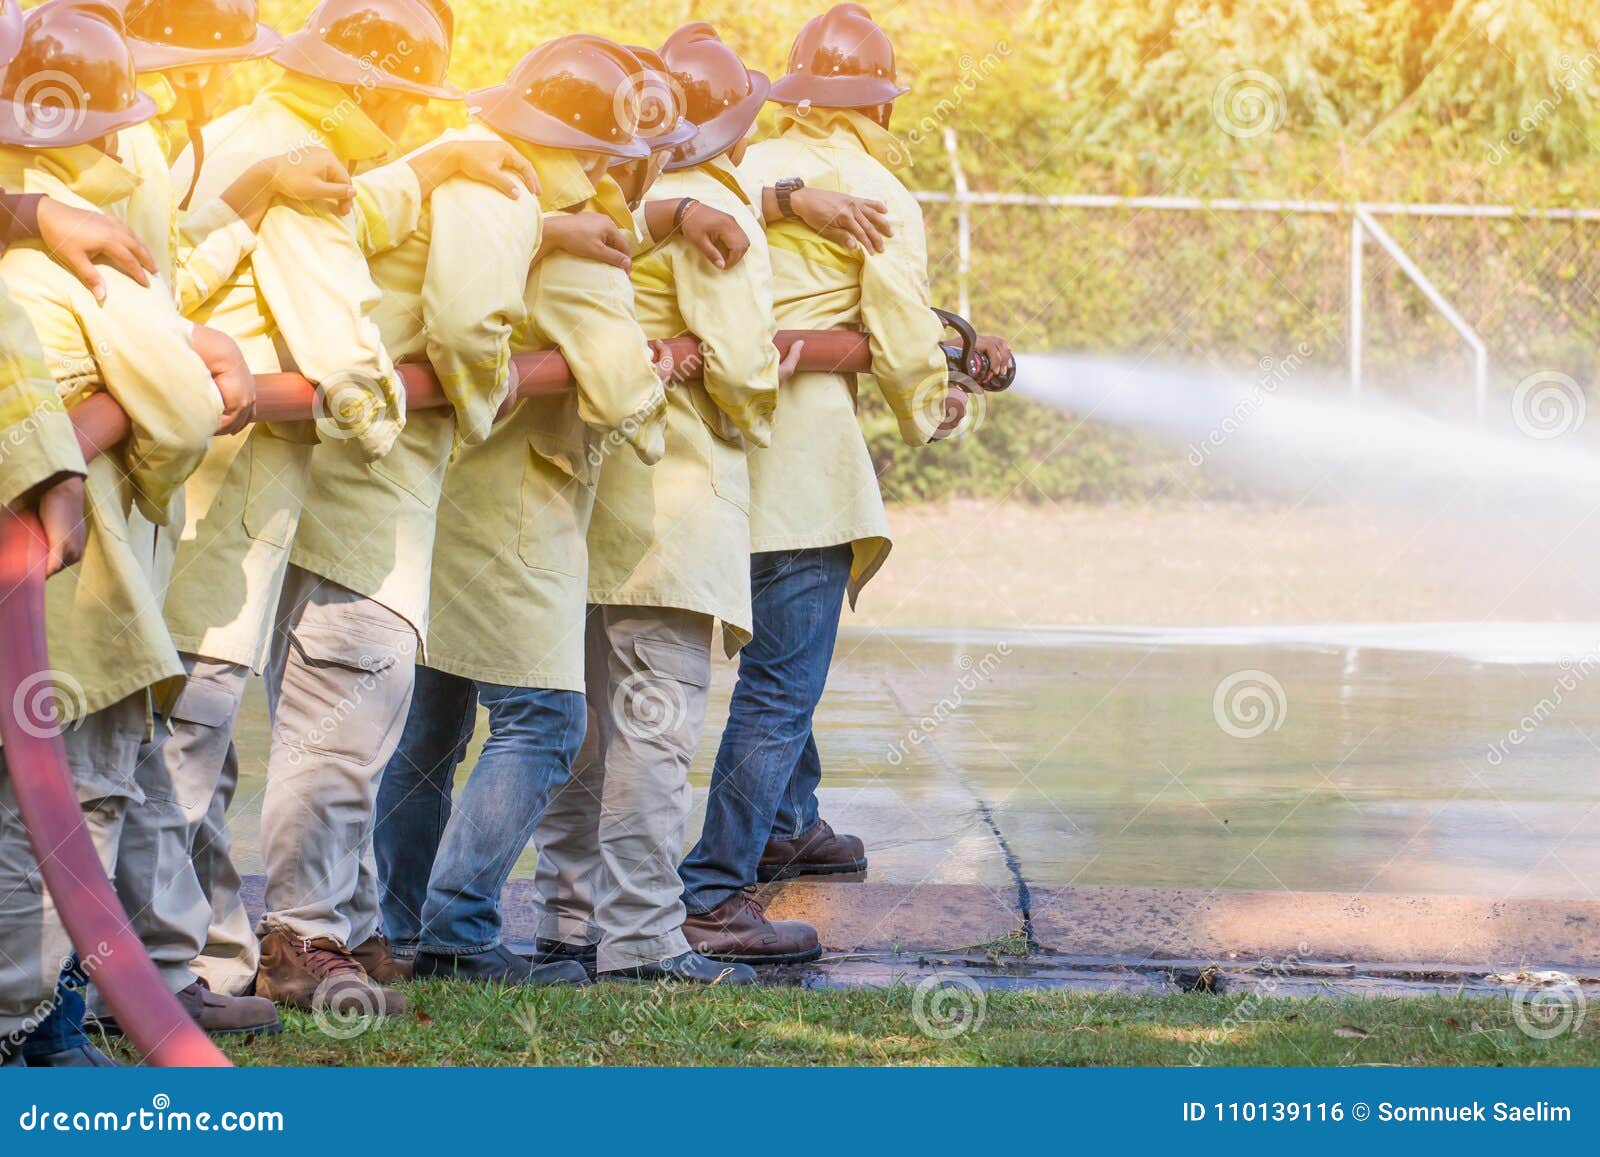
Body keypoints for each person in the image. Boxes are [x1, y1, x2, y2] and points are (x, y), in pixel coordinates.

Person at [678, 4, 1014, 963]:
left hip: (711, 453)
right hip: (801, 464)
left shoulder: (737, 170)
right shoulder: (876, 187)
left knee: (785, 659)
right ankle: (717, 890)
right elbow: (901, 319)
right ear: (881, 101)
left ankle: (792, 826)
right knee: (784, 683)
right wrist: (932, 398)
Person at [372, 34, 673, 987]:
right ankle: (457, 929)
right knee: (545, 717)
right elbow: (624, 390)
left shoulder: (482, 180)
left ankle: (399, 920)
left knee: (431, 722)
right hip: (517, 508)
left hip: (435, 497)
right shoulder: (564, 213)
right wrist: (658, 377)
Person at [0, 0, 247, 1061]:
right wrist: (140, 447)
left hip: (43, 581)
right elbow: (189, 409)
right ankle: (20, 1020)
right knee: (61, 803)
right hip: (75, 589)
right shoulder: (80, 259)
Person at [529, 29, 796, 984]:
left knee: (591, 738)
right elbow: (743, 373)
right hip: (676, 518)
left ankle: (570, 916)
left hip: (596, 513)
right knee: (654, 732)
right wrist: (758, 379)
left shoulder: (629, 203)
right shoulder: (717, 210)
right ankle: (643, 937)